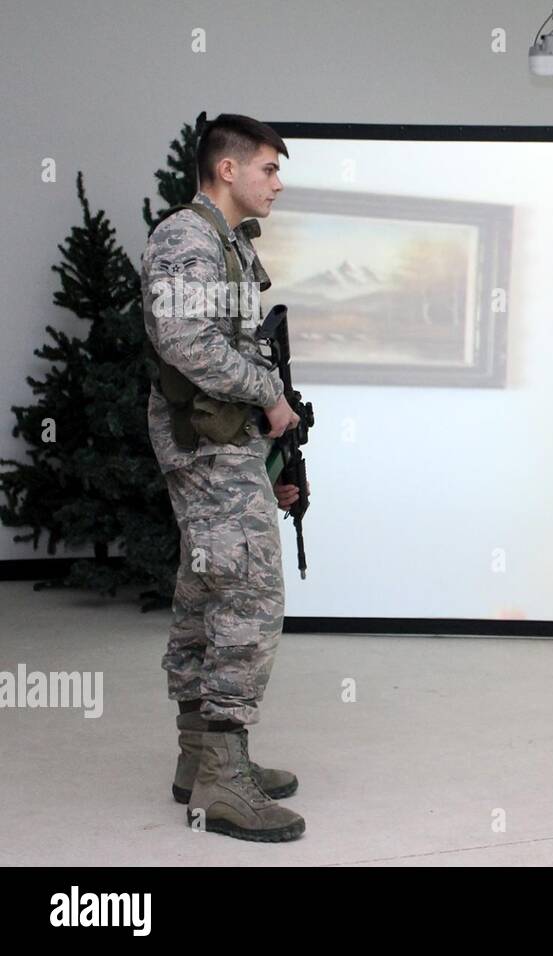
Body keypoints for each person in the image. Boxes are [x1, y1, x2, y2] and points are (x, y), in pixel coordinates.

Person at [141, 113, 306, 842]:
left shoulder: (228, 242)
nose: (277, 182)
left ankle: (199, 757)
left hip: (223, 439)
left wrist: (268, 455)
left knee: (209, 586)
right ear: (228, 169)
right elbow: (183, 341)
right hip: (203, 439)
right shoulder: (188, 236)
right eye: (268, 168)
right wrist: (267, 396)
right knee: (250, 591)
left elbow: (227, 340)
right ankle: (222, 776)